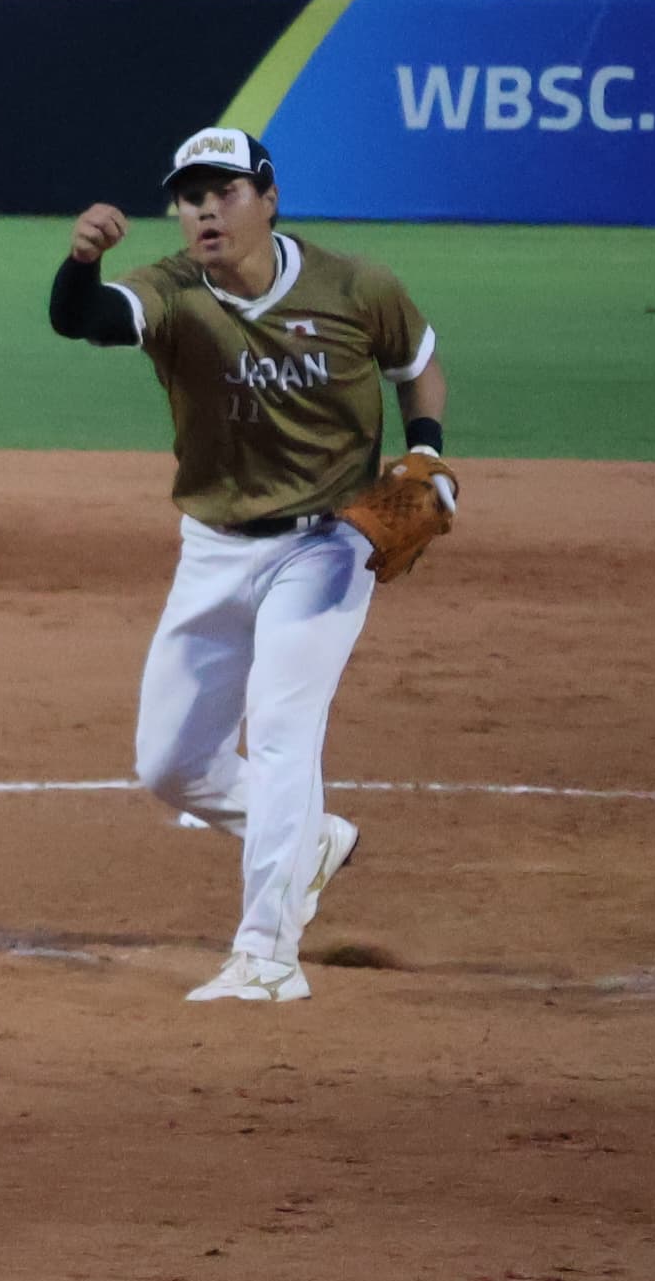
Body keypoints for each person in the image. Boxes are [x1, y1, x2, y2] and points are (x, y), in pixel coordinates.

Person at [52, 125, 457, 1004]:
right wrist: (82, 262)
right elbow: (85, 319)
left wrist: (425, 452)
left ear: (268, 199)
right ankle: (310, 840)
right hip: (214, 546)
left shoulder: (355, 286)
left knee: (280, 730)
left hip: (327, 544)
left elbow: (418, 365)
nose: (205, 210)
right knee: (170, 764)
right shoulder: (170, 291)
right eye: (190, 195)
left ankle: (267, 956)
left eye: (224, 191)